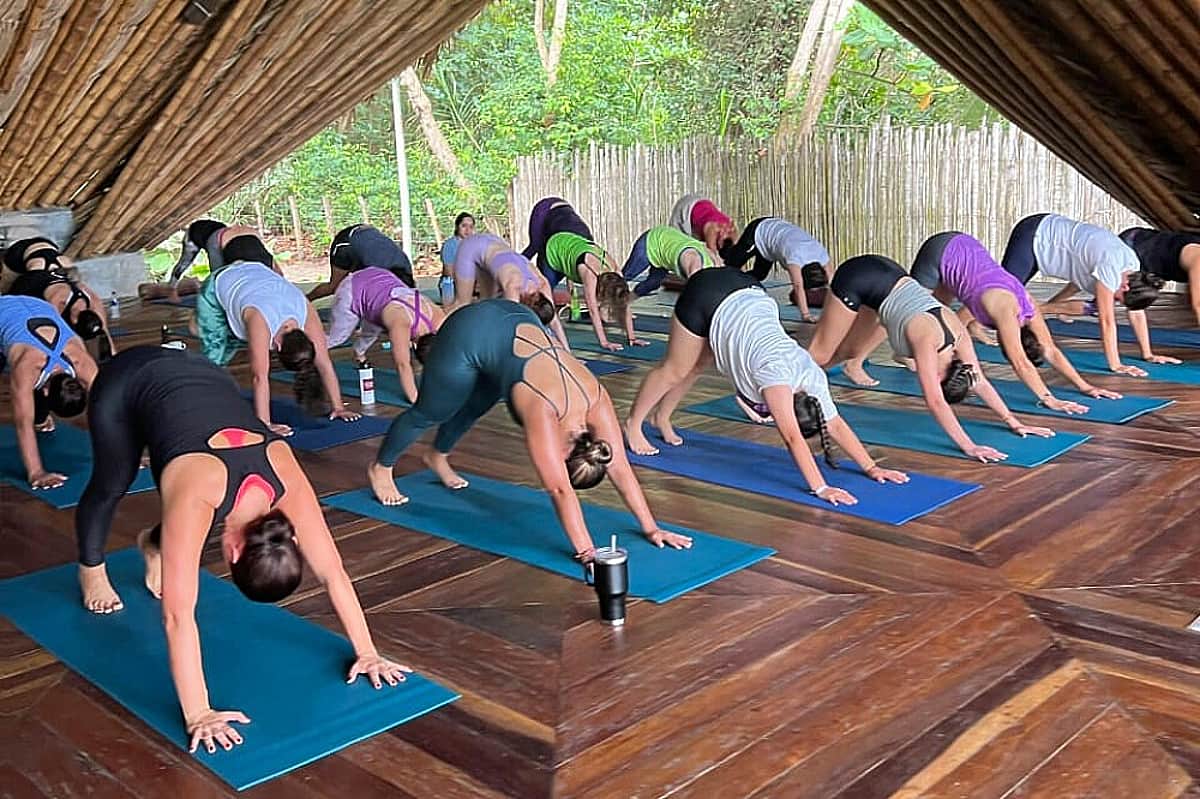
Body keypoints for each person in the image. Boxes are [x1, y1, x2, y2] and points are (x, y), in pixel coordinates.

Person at [73, 346, 411, 754]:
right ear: (231, 555)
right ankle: (91, 568)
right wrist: (199, 713)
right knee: (112, 482)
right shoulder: (201, 488)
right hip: (128, 382)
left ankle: (154, 544)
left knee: (185, 530)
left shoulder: (283, 471)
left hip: (200, 376)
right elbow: (178, 616)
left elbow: (333, 573)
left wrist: (368, 652)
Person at [365, 299, 692, 561]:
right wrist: (587, 551)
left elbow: (620, 467)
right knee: (433, 410)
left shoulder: (597, 398)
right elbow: (560, 491)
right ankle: (380, 467)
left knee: (479, 402)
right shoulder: (542, 410)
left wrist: (652, 528)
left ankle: (437, 456)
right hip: (468, 331)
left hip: (511, 320)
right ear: (564, 453)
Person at [623, 269, 909, 503]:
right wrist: (821, 488)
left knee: (697, 364)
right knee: (675, 368)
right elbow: (793, 438)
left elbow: (835, 425)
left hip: (748, 290)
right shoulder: (776, 381)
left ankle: (662, 418)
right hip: (708, 295)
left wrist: (872, 468)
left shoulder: (812, 378)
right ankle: (633, 425)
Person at [806, 255, 1054, 463]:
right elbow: (935, 401)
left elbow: (980, 381)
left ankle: (802, 385)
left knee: (848, 351)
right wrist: (969, 446)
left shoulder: (958, 336)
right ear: (938, 376)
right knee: (821, 353)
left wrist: (1014, 422)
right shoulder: (927, 341)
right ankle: (775, 388)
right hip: (861, 276)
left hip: (888, 277)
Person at [911, 231, 1122, 412]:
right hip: (940, 251)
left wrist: (1085, 386)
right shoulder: (1006, 313)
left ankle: (908, 352)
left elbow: (1051, 350)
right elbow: (1021, 363)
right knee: (912, 312)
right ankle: (903, 353)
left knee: (937, 315)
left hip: (964, 248)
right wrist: (1050, 399)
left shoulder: (1028, 307)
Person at [195, 261, 360, 434]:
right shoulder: (261, 320)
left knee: (240, 336)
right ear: (278, 346)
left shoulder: (306, 312)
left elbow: (324, 363)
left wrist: (339, 407)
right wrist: (265, 424)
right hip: (220, 283)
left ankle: (207, 321)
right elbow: (259, 377)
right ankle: (200, 404)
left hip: (255, 277)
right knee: (215, 358)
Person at [1001, 213, 1172, 377]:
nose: (1116, 301)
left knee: (1093, 306)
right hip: (1034, 234)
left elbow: (1136, 314)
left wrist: (1148, 354)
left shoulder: (1132, 267)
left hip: (1046, 241)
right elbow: (1107, 322)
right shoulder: (1111, 267)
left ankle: (1035, 310)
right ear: (1126, 287)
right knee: (1002, 296)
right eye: (1119, 299)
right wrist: (1116, 364)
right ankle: (976, 325)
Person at [0, 296, 97, 489]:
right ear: (44, 392)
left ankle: (42, 419)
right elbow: (22, 423)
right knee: (29, 413)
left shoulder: (84, 364)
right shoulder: (27, 366)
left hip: (37, 305)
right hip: (7, 312)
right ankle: (42, 418)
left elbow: (110, 411)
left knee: (37, 418)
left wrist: (132, 457)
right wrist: (37, 473)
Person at [326, 266, 445, 404]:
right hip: (353, 288)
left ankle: (359, 354)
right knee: (337, 338)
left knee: (372, 331)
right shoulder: (400, 323)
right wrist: (416, 400)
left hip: (379, 284)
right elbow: (402, 365)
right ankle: (309, 345)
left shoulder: (439, 320)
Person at [447, 233, 569, 349]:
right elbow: (510, 327)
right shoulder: (513, 288)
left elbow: (555, 323)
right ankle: (435, 328)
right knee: (462, 304)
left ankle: (475, 343)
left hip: (495, 245)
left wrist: (569, 355)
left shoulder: (543, 285)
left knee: (487, 303)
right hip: (472, 247)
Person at [540, 230, 645, 351]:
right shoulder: (589, 274)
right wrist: (604, 342)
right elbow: (593, 311)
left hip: (574, 245)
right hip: (554, 248)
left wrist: (632, 337)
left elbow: (625, 305)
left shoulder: (616, 271)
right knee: (546, 301)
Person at [720, 217, 832, 322]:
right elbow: (798, 287)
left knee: (760, 275)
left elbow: (832, 283)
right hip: (760, 230)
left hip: (772, 241)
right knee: (732, 265)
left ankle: (739, 285)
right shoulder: (795, 257)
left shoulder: (822, 255)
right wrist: (806, 315)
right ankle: (724, 247)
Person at [5, 268, 115, 357]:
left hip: (55, 279)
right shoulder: (56, 303)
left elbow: (104, 332)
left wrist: (112, 355)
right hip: (28, 284)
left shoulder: (92, 300)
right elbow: (55, 337)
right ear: (75, 320)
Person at [307, 224, 414, 302]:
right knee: (335, 287)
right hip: (347, 242)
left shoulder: (405, 270)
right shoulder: (378, 273)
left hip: (366, 236)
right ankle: (306, 300)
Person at [1119, 226, 1200, 325]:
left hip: (1145, 253)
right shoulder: (1198, 260)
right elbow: (1198, 304)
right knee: (1120, 297)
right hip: (1134, 247)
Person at [621, 226, 717, 297]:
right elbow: (694, 295)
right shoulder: (694, 265)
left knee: (653, 283)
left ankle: (628, 301)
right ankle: (608, 300)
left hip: (666, 245)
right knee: (625, 277)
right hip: (651, 242)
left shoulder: (715, 262)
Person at [520, 197, 595, 282]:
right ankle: (514, 269)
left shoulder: (589, 249)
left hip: (565, 211)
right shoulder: (586, 247)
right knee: (535, 246)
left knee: (550, 265)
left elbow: (568, 260)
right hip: (545, 209)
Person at [666, 193, 737, 264]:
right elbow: (713, 256)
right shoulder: (711, 230)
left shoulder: (733, 232)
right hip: (685, 206)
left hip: (703, 203)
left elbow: (739, 256)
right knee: (672, 245)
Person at [439, 212, 476, 305]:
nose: (467, 230)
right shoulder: (449, 245)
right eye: (464, 226)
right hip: (452, 283)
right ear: (457, 226)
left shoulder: (474, 245)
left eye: (471, 227)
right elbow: (449, 271)